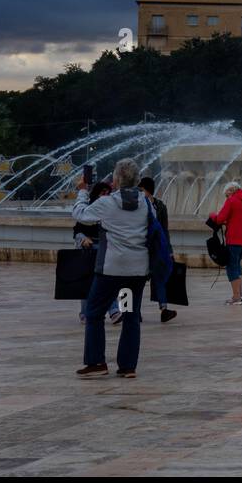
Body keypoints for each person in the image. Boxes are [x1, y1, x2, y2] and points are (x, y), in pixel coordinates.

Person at [72, 159, 150, 379]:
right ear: (137, 180)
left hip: (112, 270)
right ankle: (127, 366)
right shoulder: (146, 202)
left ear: (115, 180)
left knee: (94, 313)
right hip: (136, 272)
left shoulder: (107, 203)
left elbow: (80, 215)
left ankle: (97, 361)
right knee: (130, 315)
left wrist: (82, 192)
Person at [210, 180, 242, 306]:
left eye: (226, 194)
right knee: (236, 265)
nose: (226, 197)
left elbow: (219, 218)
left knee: (231, 267)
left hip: (234, 239)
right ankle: (241, 293)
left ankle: (236, 297)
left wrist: (212, 215)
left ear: (231, 191)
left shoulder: (232, 200)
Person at [140, 176, 176, 323]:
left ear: (147, 190)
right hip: (137, 248)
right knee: (130, 282)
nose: (139, 192)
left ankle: (164, 309)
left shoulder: (159, 206)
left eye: (141, 189)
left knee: (159, 278)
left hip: (154, 249)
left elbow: (164, 230)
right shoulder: (135, 204)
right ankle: (127, 311)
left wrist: (169, 249)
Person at [73, 180, 110, 323]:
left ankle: (122, 312)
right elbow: (77, 229)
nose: (106, 196)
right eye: (103, 193)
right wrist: (83, 239)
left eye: (108, 193)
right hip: (93, 250)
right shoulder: (90, 210)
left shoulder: (111, 210)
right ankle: (87, 312)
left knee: (110, 282)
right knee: (92, 281)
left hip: (110, 252)